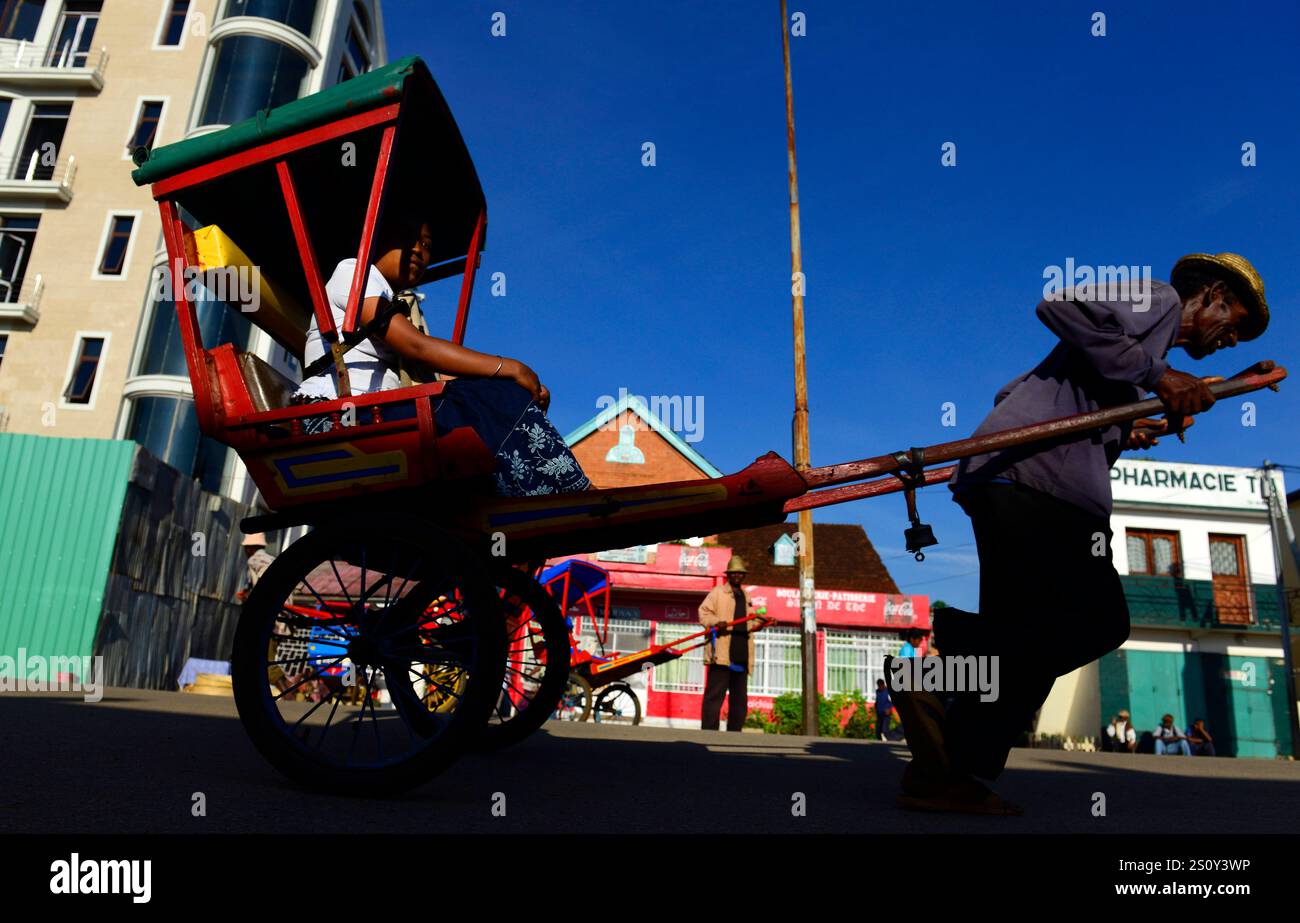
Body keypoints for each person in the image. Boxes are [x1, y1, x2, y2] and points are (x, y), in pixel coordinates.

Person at [898, 253, 1270, 815]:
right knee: (1094, 621)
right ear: (1213, 293)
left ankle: (947, 772)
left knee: (1025, 633)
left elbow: (1064, 396)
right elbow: (1061, 303)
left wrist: (1129, 426)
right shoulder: (1161, 301)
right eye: (1235, 322)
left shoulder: (1145, 348)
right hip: (1037, 487)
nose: (1232, 340)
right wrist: (1160, 376)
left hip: (1016, 480)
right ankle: (949, 669)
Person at [291, 211, 591, 497]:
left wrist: (521, 386)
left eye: (426, 245)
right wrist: (510, 368)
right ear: (377, 238)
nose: (419, 251)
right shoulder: (354, 272)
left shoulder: (393, 300)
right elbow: (417, 348)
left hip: (375, 416)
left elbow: (435, 374)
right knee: (488, 395)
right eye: (409, 238)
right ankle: (563, 491)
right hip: (336, 417)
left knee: (492, 396)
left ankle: (544, 491)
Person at [698, 556, 768, 731]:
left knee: (739, 701)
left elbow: (748, 622)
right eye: (734, 572)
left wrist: (760, 624)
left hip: (741, 655)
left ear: (743, 576)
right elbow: (703, 613)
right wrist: (716, 622)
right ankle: (708, 733)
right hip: (721, 655)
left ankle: (734, 734)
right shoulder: (717, 593)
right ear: (728, 575)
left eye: (740, 573)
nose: (737, 575)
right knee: (714, 697)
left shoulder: (747, 595)